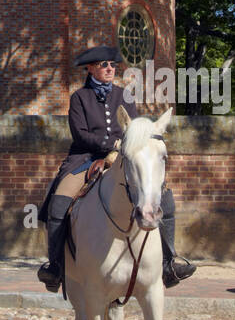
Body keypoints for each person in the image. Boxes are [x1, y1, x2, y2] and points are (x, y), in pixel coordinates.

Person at [36, 44, 196, 292]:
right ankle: (56, 266)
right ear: (90, 69)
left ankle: (168, 263)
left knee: (164, 195)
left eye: (112, 65)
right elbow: (80, 134)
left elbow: (134, 130)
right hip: (85, 158)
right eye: (104, 65)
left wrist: (120, 149)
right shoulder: (79, 98)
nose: (110, 69)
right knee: (59, 199)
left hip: (122, 158)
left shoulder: (125, 96)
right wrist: (111, 143)